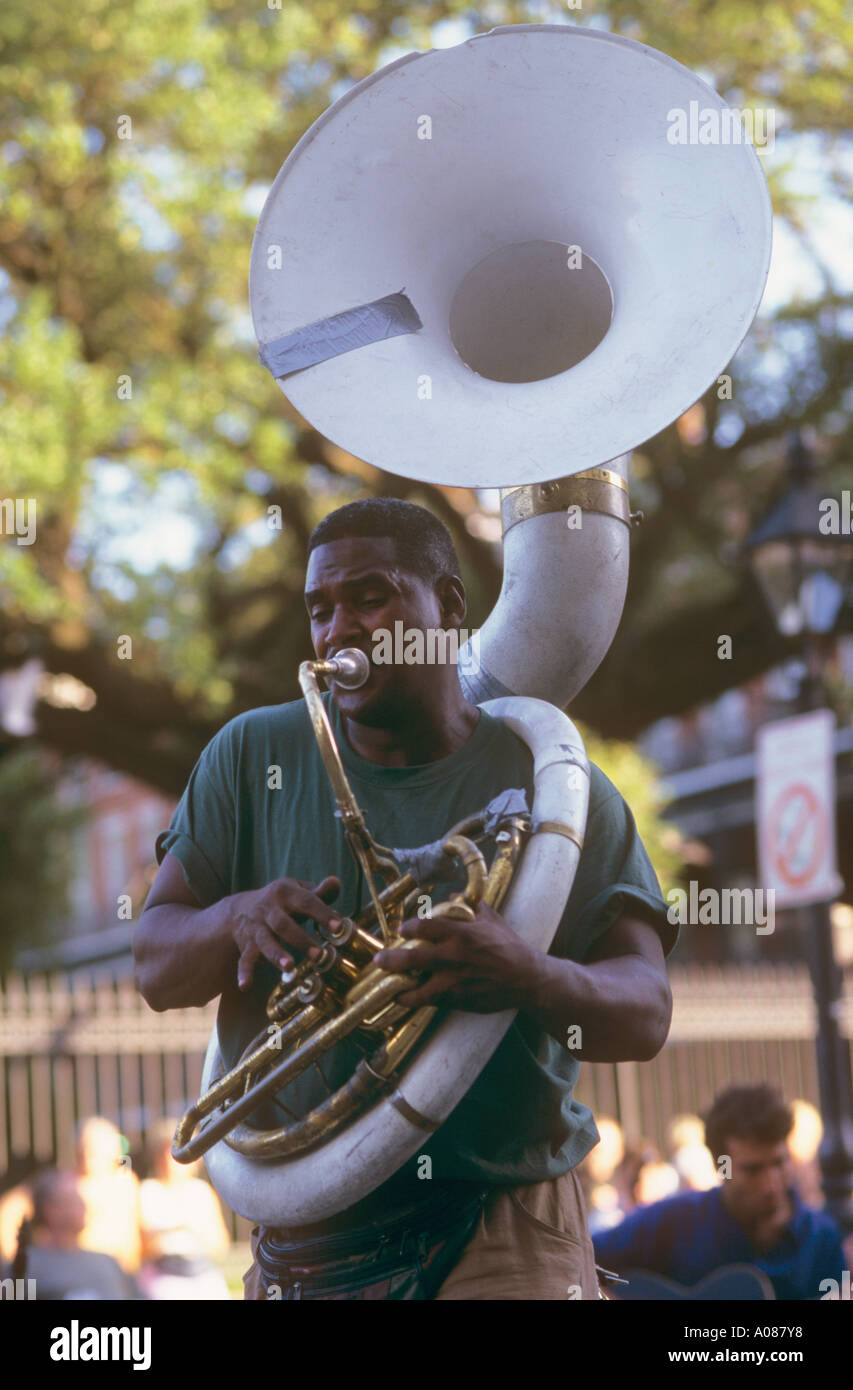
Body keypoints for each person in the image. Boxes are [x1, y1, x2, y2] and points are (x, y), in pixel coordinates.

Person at [134, 497, 679, 1301]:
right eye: (320, 609)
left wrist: (526, 975)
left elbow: (645, 1013)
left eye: (370, 596)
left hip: (498, 1224)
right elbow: (153, 965)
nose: (338, 630)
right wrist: (232, 917)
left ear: (449, 607)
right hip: (303, 1241)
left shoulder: (557, 782)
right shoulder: (249, 754)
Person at [592, 1084, 847, 1300]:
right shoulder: (674, 1221)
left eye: (779, 1163)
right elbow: (583, 1253)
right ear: (720, 1166)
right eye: (753, 1170)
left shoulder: (821, 1239)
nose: (772, 1183)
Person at [137, 1118, 231, 1300]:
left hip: (202, 1273)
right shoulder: (147, 1192)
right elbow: (141, 1245)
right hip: (164, 1276)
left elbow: (220, 1243)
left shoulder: (202, 1192)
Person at [14, 1169, 138, 1300]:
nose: (84, 1205)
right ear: (51, 1210)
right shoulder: (27, 1268)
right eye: (75, 1199)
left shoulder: (108, 1262)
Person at [75, 1116, 142, 1274]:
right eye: (84, 1146)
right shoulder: (68, 1185)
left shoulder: (127, 1182)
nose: (86, 1152)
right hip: (85, 1274)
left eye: (94, 1148)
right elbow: (11, 1209)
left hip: (123, 1275)